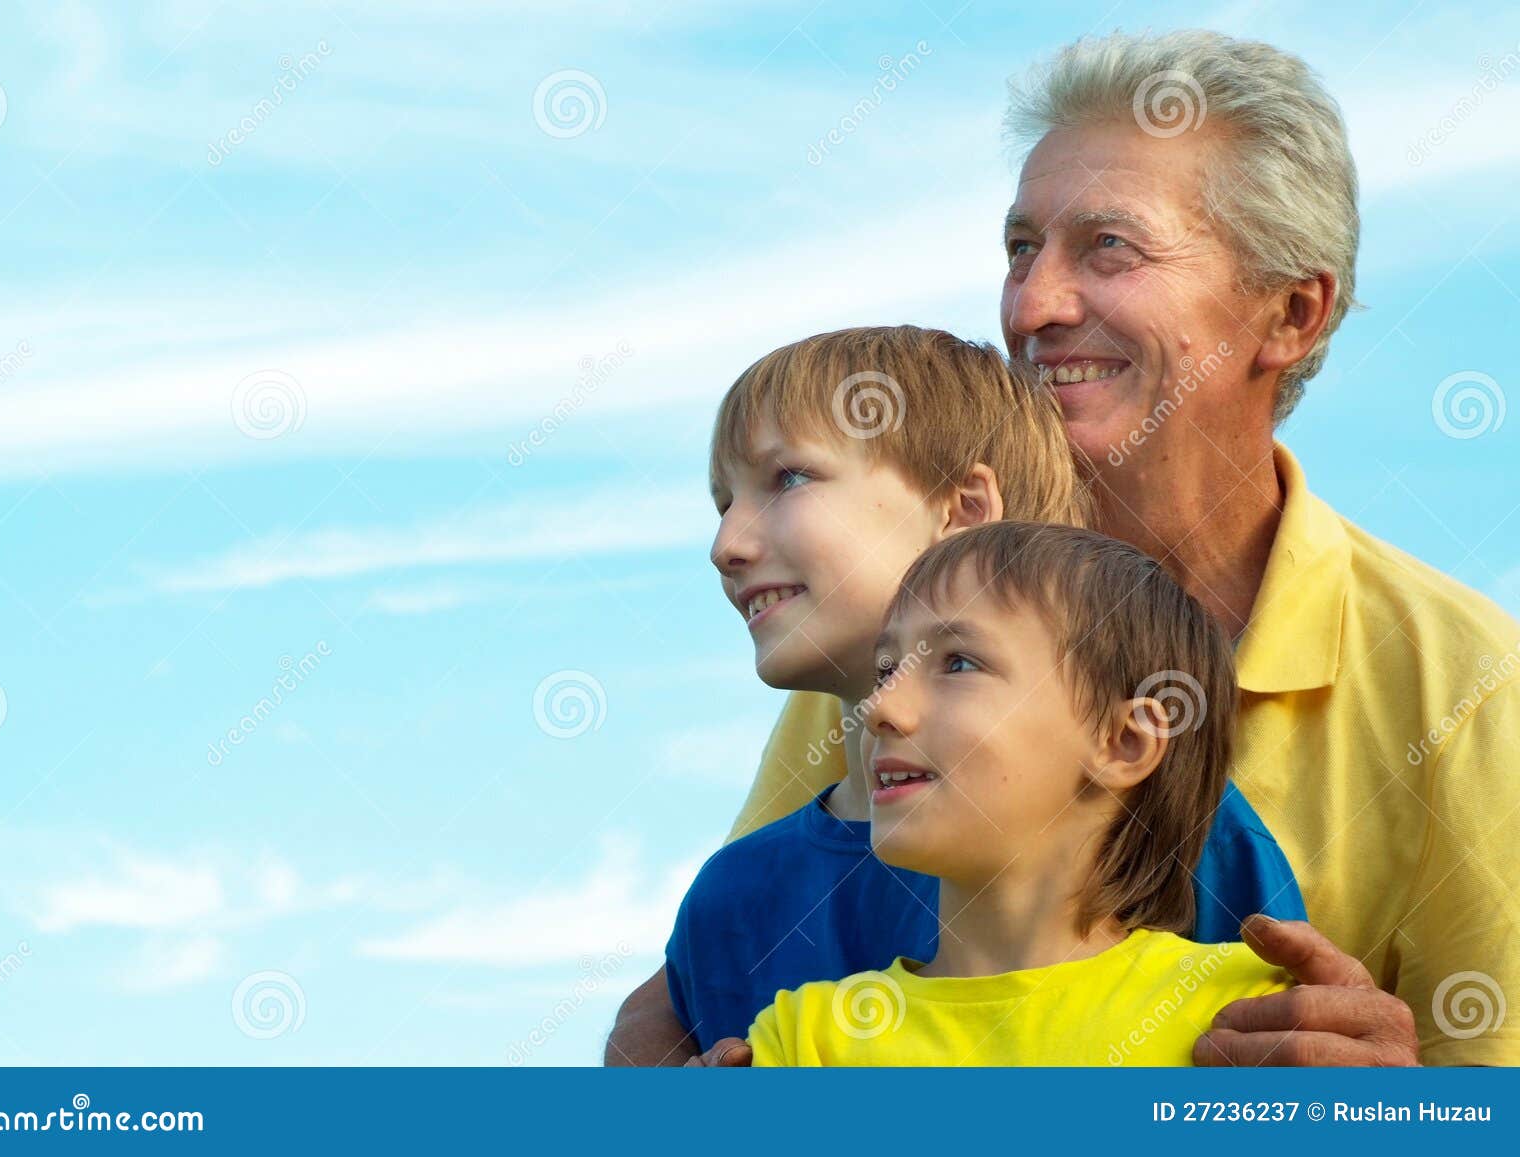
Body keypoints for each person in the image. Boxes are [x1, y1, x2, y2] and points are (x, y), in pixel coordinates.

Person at [721, 30, 1519, 1066]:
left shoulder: (1466, 685)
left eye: (1109, 247)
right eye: (1020, 248)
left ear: (1288, 312)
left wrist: (1398, 1102)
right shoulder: (911, 623)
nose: (1031, 305)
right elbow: (735, 952)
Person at [640, 326, 1303, 1060]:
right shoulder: (732, 902)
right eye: (723, 501)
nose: (725, 543)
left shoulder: (1197, 840)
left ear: (961, 508)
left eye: (788, 478)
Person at [748, 521, 1290, 1065]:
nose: (881, 708)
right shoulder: (803, 1041)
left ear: (1124, 742)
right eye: (887, 670)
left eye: (958, 663)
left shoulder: (1251, 1021)